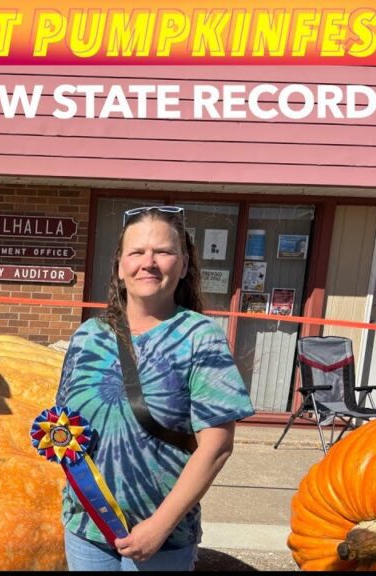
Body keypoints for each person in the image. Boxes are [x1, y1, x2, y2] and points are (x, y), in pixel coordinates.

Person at [56, 206, 254, 571]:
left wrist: (160, 527)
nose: (148, 262)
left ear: (182, 265)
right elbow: (64, 428)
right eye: (136, 252)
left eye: (162, 252)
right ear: (119, 266)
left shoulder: (201, 337)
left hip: (164, 538)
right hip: (85, 530)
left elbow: (217, 446)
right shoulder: (87, 336)